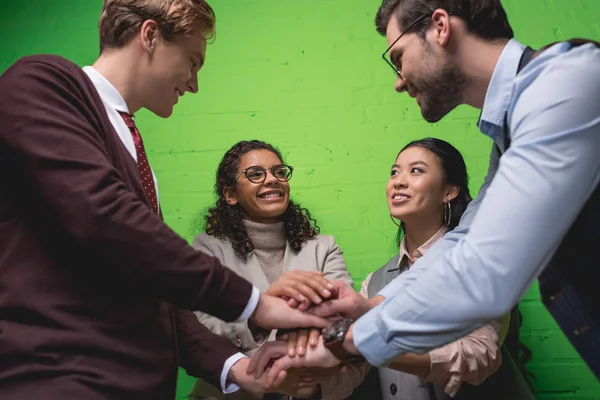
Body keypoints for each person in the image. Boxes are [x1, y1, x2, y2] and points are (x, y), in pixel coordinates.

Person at [245, 0, 600, 386]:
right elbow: (464, 241)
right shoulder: (512, 127)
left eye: (398, 57)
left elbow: (485, 273)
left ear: (440, 27)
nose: (399, 80)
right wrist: (373, 305)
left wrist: (344, 342)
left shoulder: (561, 84)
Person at [0, 1, 326, 399]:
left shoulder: (133, 147)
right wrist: (253, 304)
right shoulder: (44, 82)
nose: (193, 83)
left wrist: (239, 367)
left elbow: (155, 288)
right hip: (62, 381)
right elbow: (106, 220)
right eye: (192, 62)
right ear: (150, 36)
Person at [189, 140, 365, 400]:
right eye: (256, 174)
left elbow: (342, 322)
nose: (272, 179)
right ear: (231, 194)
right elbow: (203, 331)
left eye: (279, 172)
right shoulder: (209, 250)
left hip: (307, 391)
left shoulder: (323, 248)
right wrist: (259, 309)